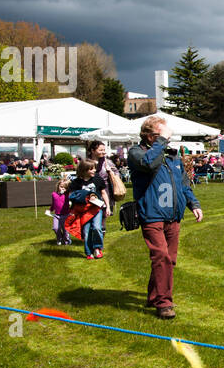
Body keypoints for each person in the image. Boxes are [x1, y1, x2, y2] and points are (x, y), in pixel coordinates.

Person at [128, 115, 203, 319]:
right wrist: (162, 142)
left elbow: (183, 184)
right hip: (152, 214)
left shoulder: (171, 156)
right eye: (163, 135)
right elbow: (148, 164)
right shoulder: (137, 153)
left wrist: (193, 204)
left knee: (169, 259)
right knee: (160, 256)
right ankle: (164, 303)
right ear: (151, 137)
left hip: (173, 215)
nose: (167, 139)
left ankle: (154, 296)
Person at [85, 140, 121, 258]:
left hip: (105, 193)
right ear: (92, 151)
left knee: (102, 219)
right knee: (90, 220)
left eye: (104, 149)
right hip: (90, 194)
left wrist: (111, 172)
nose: (103, 152)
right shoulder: (86, 162)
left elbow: (117, 174)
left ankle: (98, 246)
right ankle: (91, 243)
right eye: (100, 150)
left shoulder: (107, 162)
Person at [66, 161, 108, 259]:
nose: (94, 170)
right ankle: (89, 252)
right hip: (84, 210)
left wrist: (108, 207)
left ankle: (97, 248)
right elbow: (71, 195)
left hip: (96, 208)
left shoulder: (97, 179)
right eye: (91, 169)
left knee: (97, 228)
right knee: (86, 231)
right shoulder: (76, 182)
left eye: (94, 168)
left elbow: (103, 193)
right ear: (84, 170)